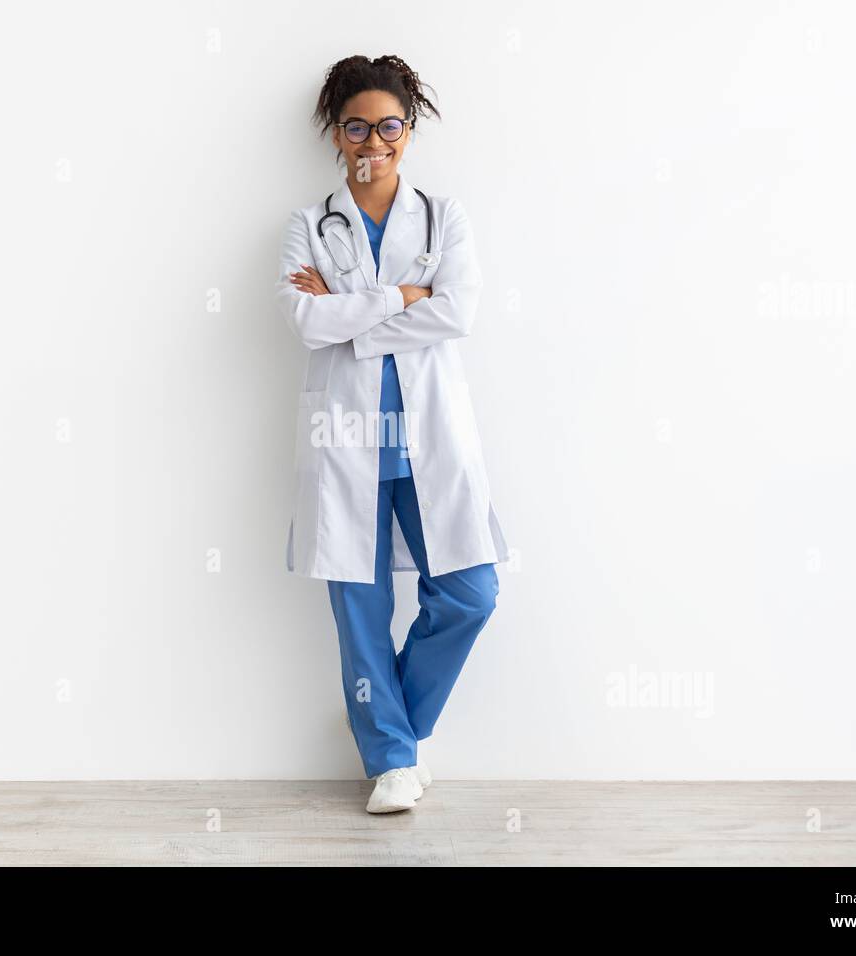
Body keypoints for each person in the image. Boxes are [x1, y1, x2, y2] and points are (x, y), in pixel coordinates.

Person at [275, 54, 509, 813]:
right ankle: (392, 763)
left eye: (389, 126)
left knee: (471, 592)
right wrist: (402, 295)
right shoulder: (309, 224)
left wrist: (360, 317)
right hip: (345, 436)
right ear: (334, 133)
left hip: (429, 437)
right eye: (356, 127)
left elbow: (458, 313)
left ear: (409, 128)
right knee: (360, 608)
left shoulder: (446, 217)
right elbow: (306, 323)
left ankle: (398, 733)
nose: (373, 141)